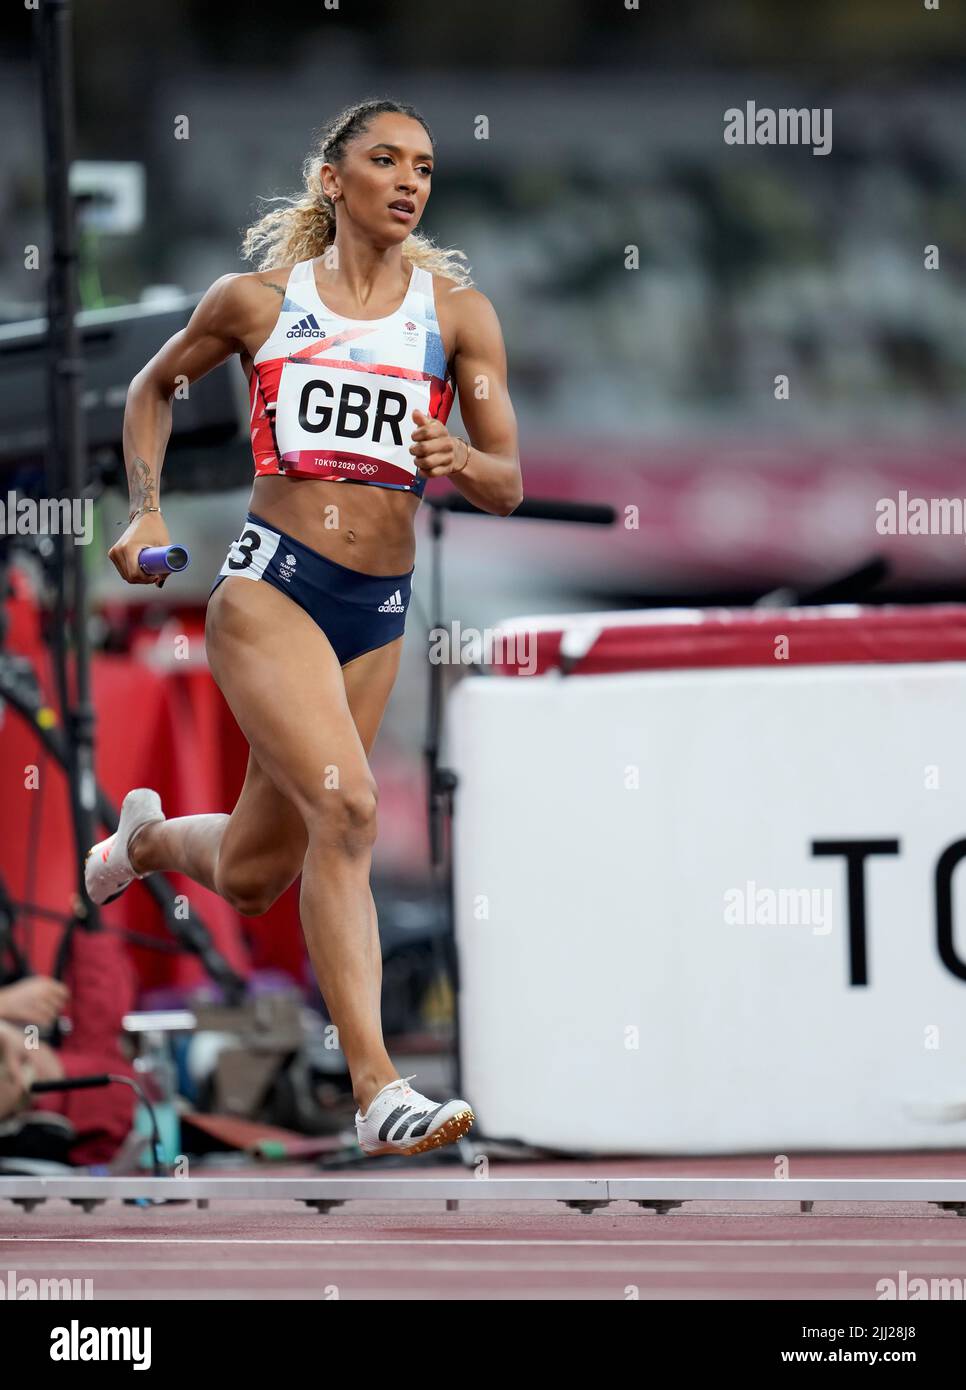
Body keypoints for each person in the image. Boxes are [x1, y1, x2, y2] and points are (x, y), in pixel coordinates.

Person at [85, 98, 522, 1158]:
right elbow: (151, 389)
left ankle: (140, 839)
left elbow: (509, 480)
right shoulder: (258, 301)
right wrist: (144, 507)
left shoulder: (457, 314)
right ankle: (378, 1087)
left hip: (375, 606)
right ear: (334, 179)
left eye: (423, 164)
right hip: (272, 588)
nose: (409, 180)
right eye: (385, 160)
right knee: (353, 813)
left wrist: (463, 461)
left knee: (255, 868)